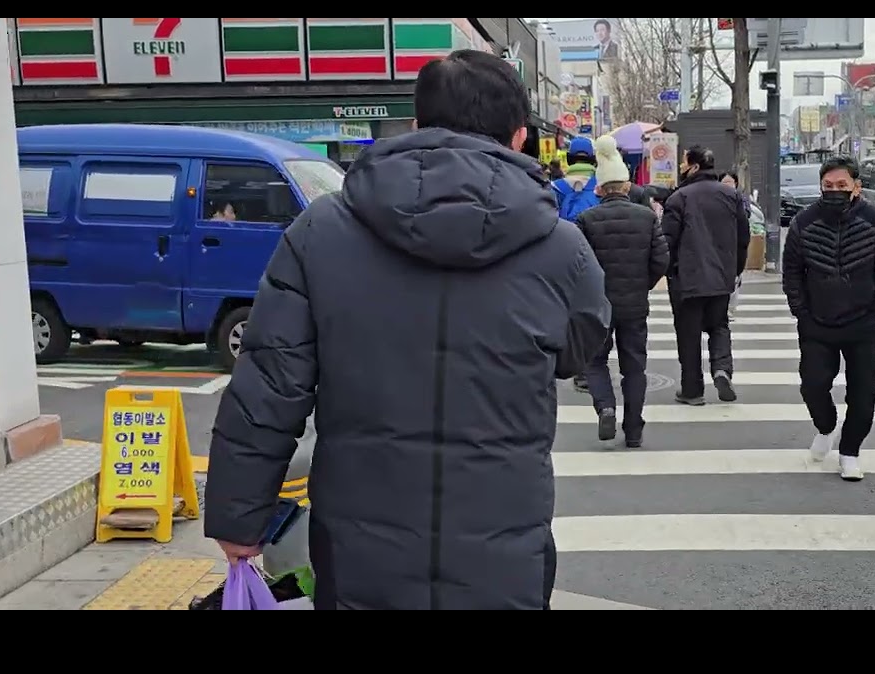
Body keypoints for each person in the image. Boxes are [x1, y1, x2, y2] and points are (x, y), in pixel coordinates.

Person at [202, 49, 611, 610]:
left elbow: (270, 384)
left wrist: (237, 516)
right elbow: (579, 351)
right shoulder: (562, 248)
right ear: (519, 138)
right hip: (502, 544)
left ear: (416, 126)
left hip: (360, 550)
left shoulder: (320, 232)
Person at [781, 156, 875, 482]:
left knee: (863, 394)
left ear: (856, 187)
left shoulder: (874, 220)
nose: (835, 191)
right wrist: (800, 309)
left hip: (862, 322)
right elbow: (791, 270)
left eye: (842, 186)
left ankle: (850, 452)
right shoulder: (804, 222)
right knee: (813, 386)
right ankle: (826, 426)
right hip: (816, 322)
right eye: (828, 186)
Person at [574, 135, 668, 447]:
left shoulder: (586, 219)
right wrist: (643, 285)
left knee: (595, 361)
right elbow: (661, 259)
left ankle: (605, 407)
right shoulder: (646, 217)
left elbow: (580, 264)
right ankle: (634, 429)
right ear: (626, 186)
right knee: (634, 366)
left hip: (598, 305)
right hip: (634, 304)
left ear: (600, 188)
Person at [662, 146, 750, 406]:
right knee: (719, 325)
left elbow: (667, 241)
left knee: (688, 335)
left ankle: (692, 389)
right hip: (721, 277)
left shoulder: (679, 198)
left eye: (683, 163)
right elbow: (743, 238)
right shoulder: (731, 196)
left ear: (695, 167)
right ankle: (722, 368)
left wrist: (669, 271)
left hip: (687, 279)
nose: (681, 168)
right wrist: (735, 270)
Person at [552, 137, 602, 392]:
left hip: (563, 258)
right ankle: (593, 364)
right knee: (593, 310)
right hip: (597, 258)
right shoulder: (601, 186)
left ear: (569, 159)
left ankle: (578, 367)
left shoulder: (556, 187)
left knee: (568, 312)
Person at [719, 170, 746, 318]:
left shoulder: (741, 200)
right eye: (724, 182)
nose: (728, 185)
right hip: (721, 245)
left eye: (730, 182)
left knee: (735, 279)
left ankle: (730, 308)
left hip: (735, 245)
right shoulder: (716, 199)